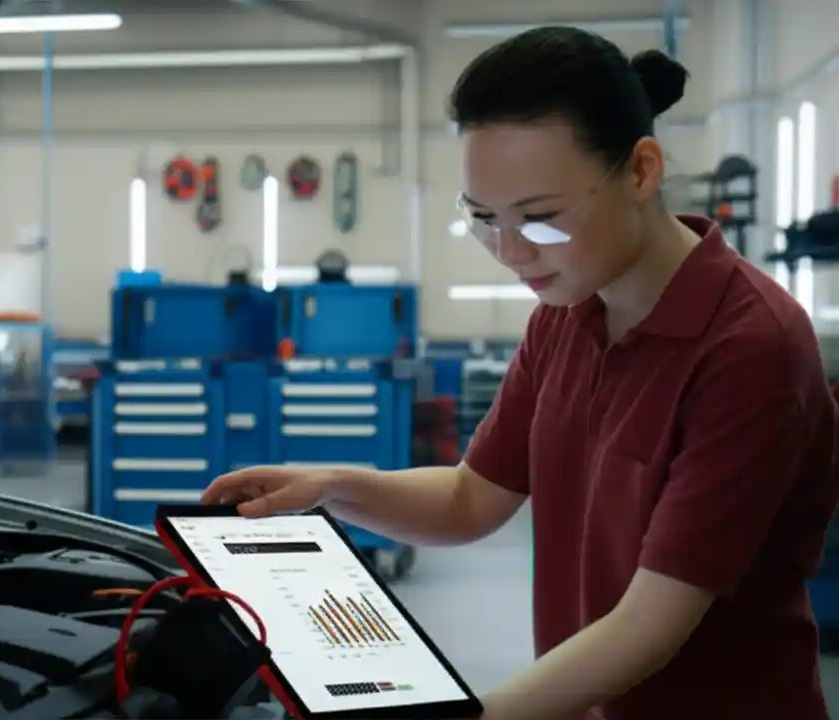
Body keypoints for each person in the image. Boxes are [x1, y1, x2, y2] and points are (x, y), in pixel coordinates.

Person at [201, 26, 839, 720]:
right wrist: (333, 488)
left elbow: (649, 627)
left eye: (538, 220)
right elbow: (472, 498)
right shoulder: (565, 315)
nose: (509, 253)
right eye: (483, 220)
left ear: (639, 170)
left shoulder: (750, 348)